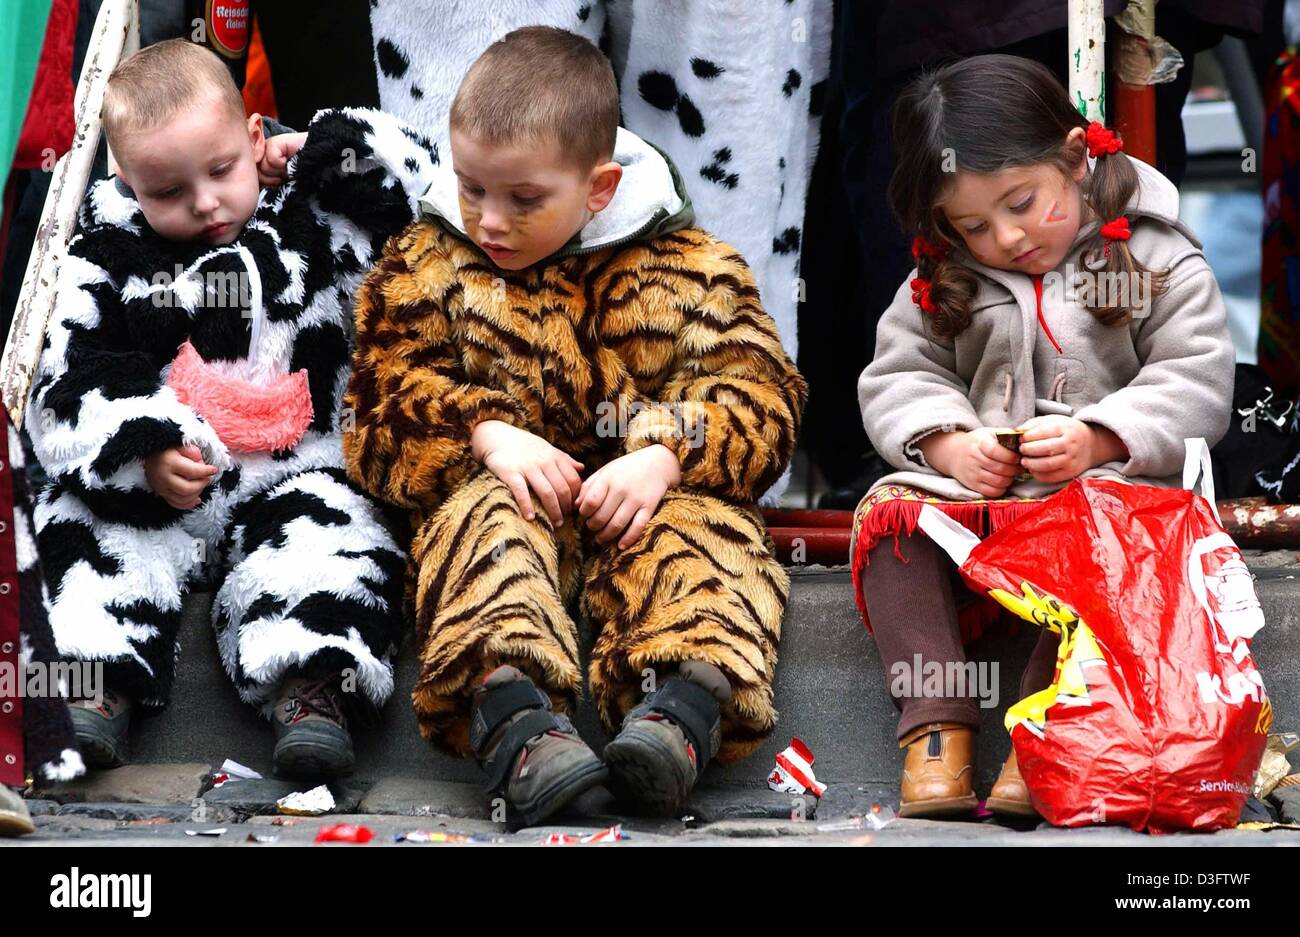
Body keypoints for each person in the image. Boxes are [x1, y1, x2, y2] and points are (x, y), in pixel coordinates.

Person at [344, 26, 807, 826]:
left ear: (599, 189)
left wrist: (665, 454)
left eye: (524, 199)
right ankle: (519, 726)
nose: (490, 220)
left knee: (711, 536)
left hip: (647, 503)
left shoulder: (693, 267)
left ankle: (683, 710)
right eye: (471, 187)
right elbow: (374, 407)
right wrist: (483, 432)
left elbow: (763, 397)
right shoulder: (428, 263)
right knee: (479, 529)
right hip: (514, 503)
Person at [26, 38, 438, 779]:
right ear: (126, 180)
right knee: (81, 526)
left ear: (254, 137)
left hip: (293, 475)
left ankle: (314, 686)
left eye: (220, 170)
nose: (206, 202)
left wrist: (322, 149)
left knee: (333, 537)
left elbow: (423, 192)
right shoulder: (106, 254)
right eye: (169, 192)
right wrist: (143, 442)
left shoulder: (309, 217)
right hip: (160, 488)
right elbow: (63, 383)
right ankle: (94, 683)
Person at [854, 54, 1234, 820]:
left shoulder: (1157, 255)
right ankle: (937, 731)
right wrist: (950, 443)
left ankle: (1043, 736)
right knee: (892, 520)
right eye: (973, 225)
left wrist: (1100, 436)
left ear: (1074, 155)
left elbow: (1198, 380)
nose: (1005, 237)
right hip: (982, 502)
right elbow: (899, 375)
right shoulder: (941, 277)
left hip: (1100, 497)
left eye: (1022, 203)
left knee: (1103, 533)